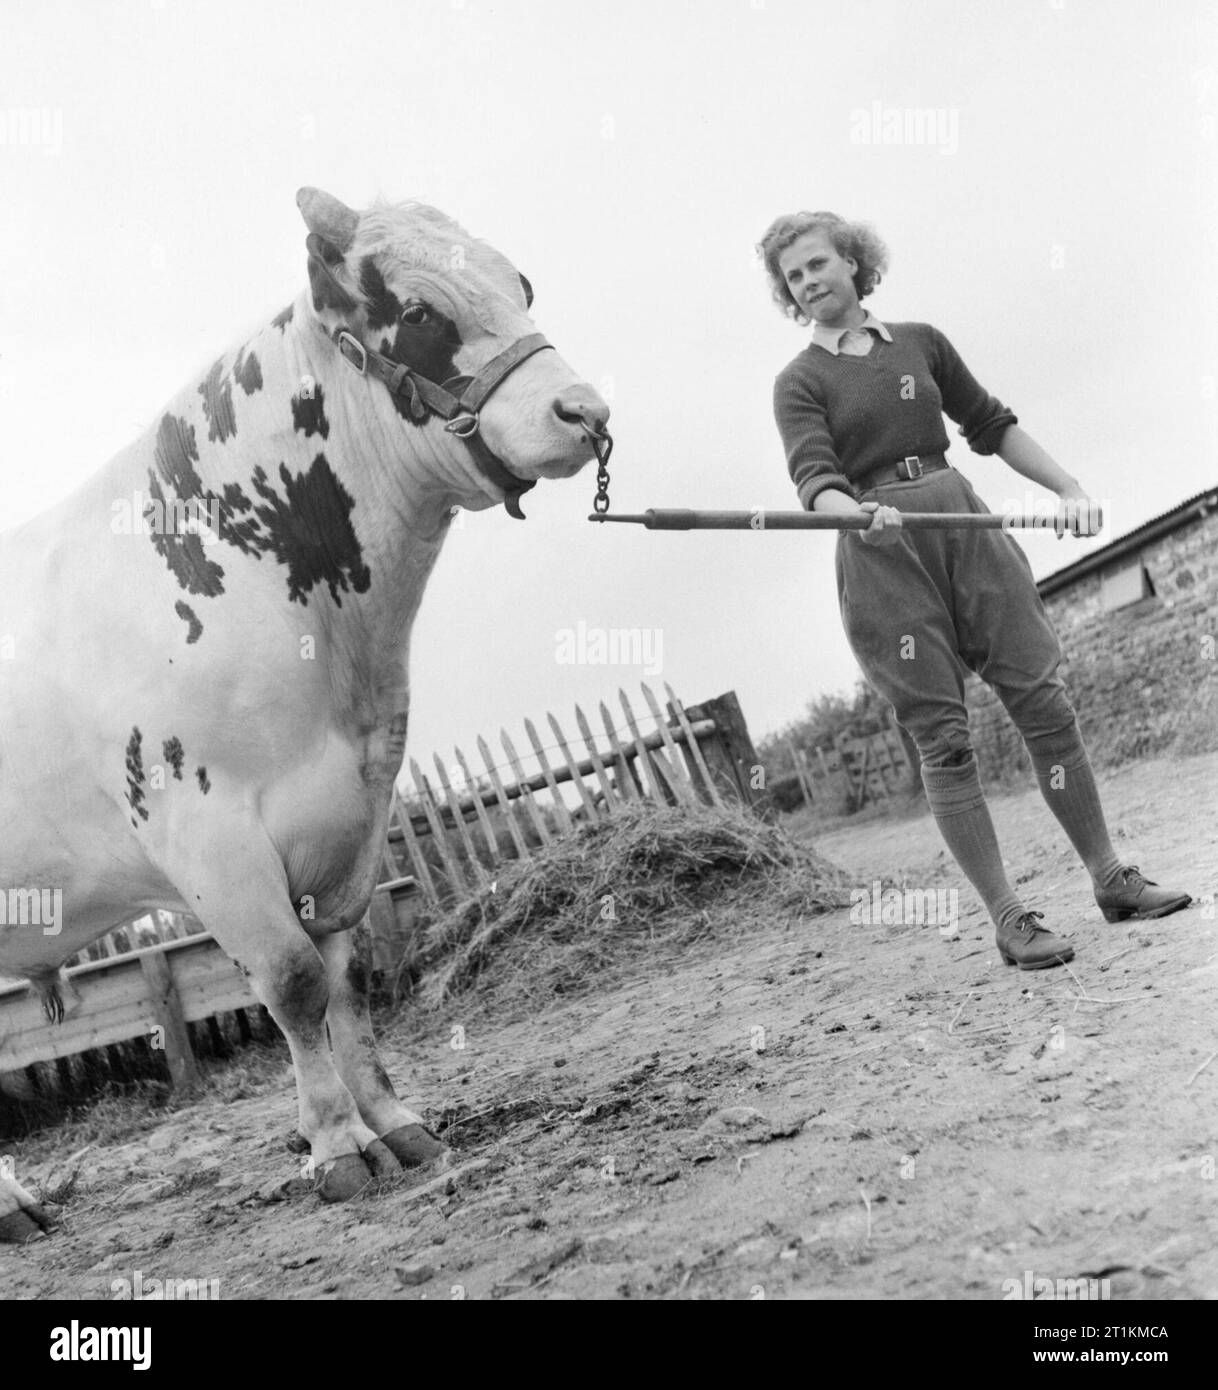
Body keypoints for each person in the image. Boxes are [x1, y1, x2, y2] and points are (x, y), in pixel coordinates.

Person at [759, 211, 1191, 970]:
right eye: (794, 276)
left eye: (819, 263)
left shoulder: (921, 342)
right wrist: (860, 518)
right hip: (881, 553)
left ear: (855, 263)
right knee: (944, 739)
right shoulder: (798, 380)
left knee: (1044, 702)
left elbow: (991, 423)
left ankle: (1111, 877)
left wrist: (1068, 487)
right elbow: (815, 482)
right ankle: (1010, 917)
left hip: (966, 525)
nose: (810, 281)